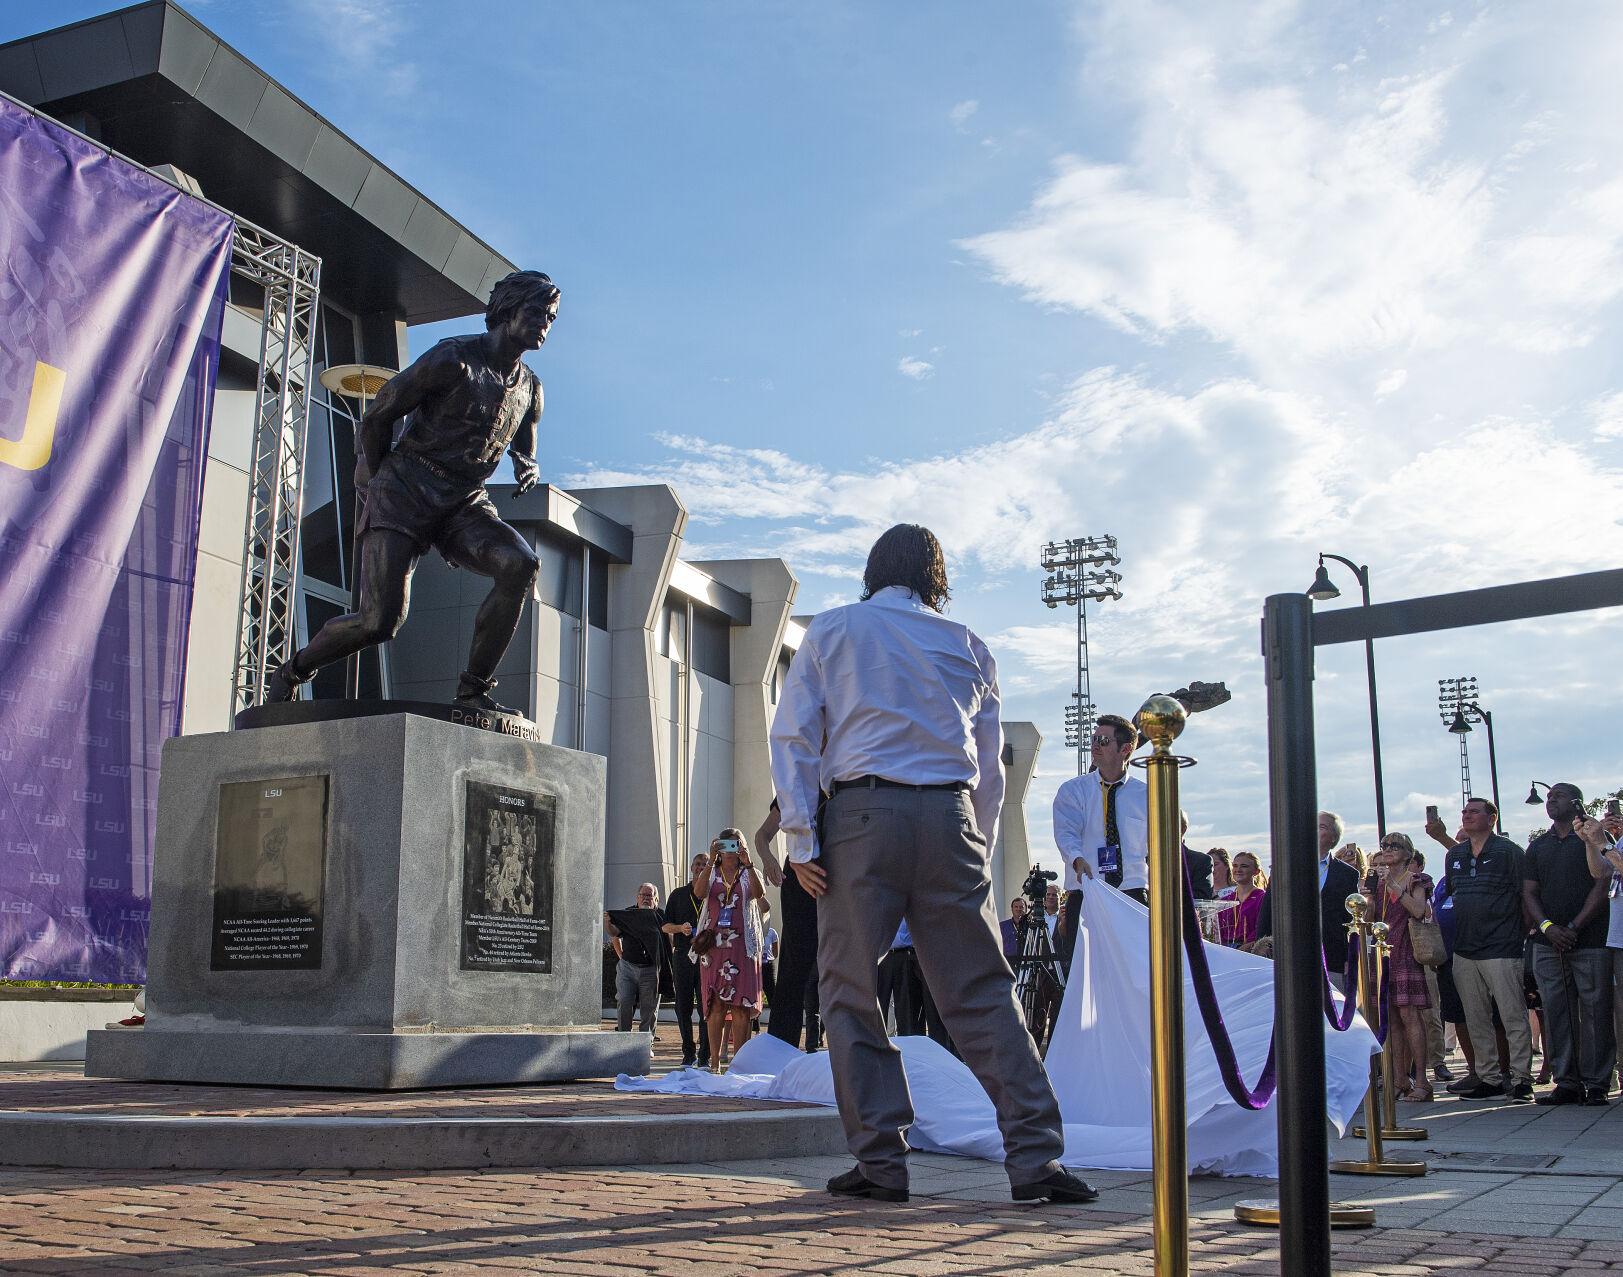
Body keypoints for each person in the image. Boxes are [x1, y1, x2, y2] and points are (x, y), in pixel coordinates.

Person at [770, 522, 1095, 1205]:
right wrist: (971, 838)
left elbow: (795, 733)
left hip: (860, 816)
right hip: (948, 816)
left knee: (851, 992)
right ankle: (1036, 1158)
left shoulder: (832, 629)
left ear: (872, 569)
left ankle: (881, 1163)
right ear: (934, 576)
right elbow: (989, 764)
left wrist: (800, 839)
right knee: (980, 990)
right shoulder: (967, 643)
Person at [266, 271, 559, 713]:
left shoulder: (531, 388)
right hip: (406, 486)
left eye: (550, 317)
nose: (544, 324)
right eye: (535, 312)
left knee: (520, 564)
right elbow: (379, 414)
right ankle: (293, 671)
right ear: (506, 311)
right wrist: (374, 477)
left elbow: (524, 438)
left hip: (464, 500)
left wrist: (526, 462)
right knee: (379, 622)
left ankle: (474, 689)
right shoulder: (453, 359)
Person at [1438, 797, 1533, 1102]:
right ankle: (1489, 1078)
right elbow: (1454, 895)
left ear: (1492, 818)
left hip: (1502, 946)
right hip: (1465, 949)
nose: (1467, 815)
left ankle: (1520, 1078)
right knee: (1475, 1017)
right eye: (1464, 811)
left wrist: (1522, 933)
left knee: (1511, 1016)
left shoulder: (1509, 852)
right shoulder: (1455, 855)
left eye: (1474, 811)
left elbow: (1526, 895)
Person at [1525, 784, 1614, 1105]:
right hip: (1550, 944)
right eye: (1548, 797)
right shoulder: (1538, 846)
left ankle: (1598, 1082)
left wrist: (1576, 926)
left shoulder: (1595, 837)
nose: (1550, 801)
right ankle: (1567, 1082)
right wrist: (1548, 928)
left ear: (1576, 802)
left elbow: (1604, 883)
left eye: (1558, 796)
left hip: (1590, 940)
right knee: (1557, 1012)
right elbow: (1529, 892)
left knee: (1595, 1012)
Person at [1053, 713, 1150, 981]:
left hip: (1130, 894)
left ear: (1126, 749)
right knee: (1085, 977)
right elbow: (1066, 832)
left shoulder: (1146, 794)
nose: (1095, 745)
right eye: (1094, 739)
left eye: (1104, 740)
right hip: (1086, 893)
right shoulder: (1073, 791)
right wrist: (1076, 858)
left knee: (1135, 975)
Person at [1255, 811, 1360, 989]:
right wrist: (1261, 945)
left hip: (1331, 958)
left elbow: (1348, 920)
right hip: (1289, 955)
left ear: (1333, 838)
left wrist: (1349, 957)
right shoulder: (1284, 866)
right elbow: (1268, 910)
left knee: (1331, 1012)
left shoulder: (1347, 874)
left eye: (1322, 826)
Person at [693, 829, 766, 1071]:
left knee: (740, 1006)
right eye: (725, 845)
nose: (730, 850)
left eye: (736, 844)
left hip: (742, 947)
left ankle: (739, 1063)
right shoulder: (712, 872)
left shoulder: (748, 872)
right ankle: (714, 1061)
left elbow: (759, 894)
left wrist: (749, 862)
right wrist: (710, 860)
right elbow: (699, 893)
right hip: (714, 947)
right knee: (715, 1005)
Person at [1370, 834, 1435, 1102]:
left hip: (1406, 950)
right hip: (1382, 952)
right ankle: (1399, 1078)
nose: (1387, 851)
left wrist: (1394, 886)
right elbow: (1369, 918)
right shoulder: (1376, 881)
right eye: (1384, 846)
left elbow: (1419, 910)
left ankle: (1421, 1079)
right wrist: (1368, 897)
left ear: (1408, 853)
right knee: (1391, 1019)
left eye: (1394, 846)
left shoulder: (1416, 879)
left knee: (1410, 1016)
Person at [756, 798, 820, 1051]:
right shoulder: (795, 784)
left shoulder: (850, 771)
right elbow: (762, 836)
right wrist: (769, 859)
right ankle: (780, 1047)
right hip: (800, 874)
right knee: (794, 965)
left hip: (842, 873)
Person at [1578, 804, 1623, 1092]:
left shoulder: (1614, 844)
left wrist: (1603, 843)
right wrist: (1591, 844)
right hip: (1617, 940)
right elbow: (1600, 873)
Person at [661, 852, 712, 1068]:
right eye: (698, 864)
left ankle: (704, 1054)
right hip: (683, 955)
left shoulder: (713, 893)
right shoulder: (678, 894)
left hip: (707, 957)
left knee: (705, 1007)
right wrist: (680, 929)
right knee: (682, 1006)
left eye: (705, 864)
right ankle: (688, 1052)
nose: (700, 867)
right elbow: (665, 926)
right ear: (691, 868)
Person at [605, 883, 664, 1035]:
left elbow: (669, 940)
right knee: (624, 1001)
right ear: (637, 897)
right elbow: (614, 933)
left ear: (656, 899)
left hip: (651, 969)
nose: (645, 898)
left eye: (649, 896)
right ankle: (624, 1038)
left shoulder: (661, 917)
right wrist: (607, 923)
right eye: (643, 895)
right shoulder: (628, 914)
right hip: (628, 967)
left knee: (649, 1008)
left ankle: (646, 1043)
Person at [1218, 851, 1266, 948]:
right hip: (1225, 950)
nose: (1238, 869)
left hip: (1253, 950)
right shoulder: (1225, 900)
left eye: (1244, 866)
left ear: (1256, 871)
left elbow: (1262, 928)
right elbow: (1218, 929)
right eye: (1235, 866)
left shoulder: (1262, 898)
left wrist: (1244, 949)